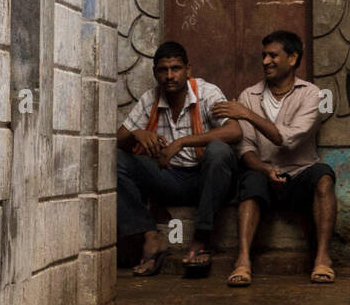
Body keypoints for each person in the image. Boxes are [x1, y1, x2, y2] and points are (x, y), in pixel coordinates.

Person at [212, 30, 336, 287]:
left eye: (273, 55)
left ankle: (323, 258)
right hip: (264, 172)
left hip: (301, 173)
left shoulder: (312, 94)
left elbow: (287, 138)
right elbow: (245, 149)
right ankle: (243, 261)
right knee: (249, 182)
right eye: (264, 55)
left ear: (292, 58)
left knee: (324, 177)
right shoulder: (249, 95)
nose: (266, 61)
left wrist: (247, 114)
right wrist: (264, 169)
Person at [116, 40, 240, 277]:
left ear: (188, 70)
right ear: (155, 73)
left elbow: (234, 132)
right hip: (170, 178)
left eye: (176, 68)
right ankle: (151, 237)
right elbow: (119, 139)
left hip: (209, 179)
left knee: (218, 151)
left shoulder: (207, 93)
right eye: (163, 70)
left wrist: (182, 142)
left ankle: (202, 238)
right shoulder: (150, 98)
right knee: (117, 160)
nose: (170, 76)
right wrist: (136, 134)